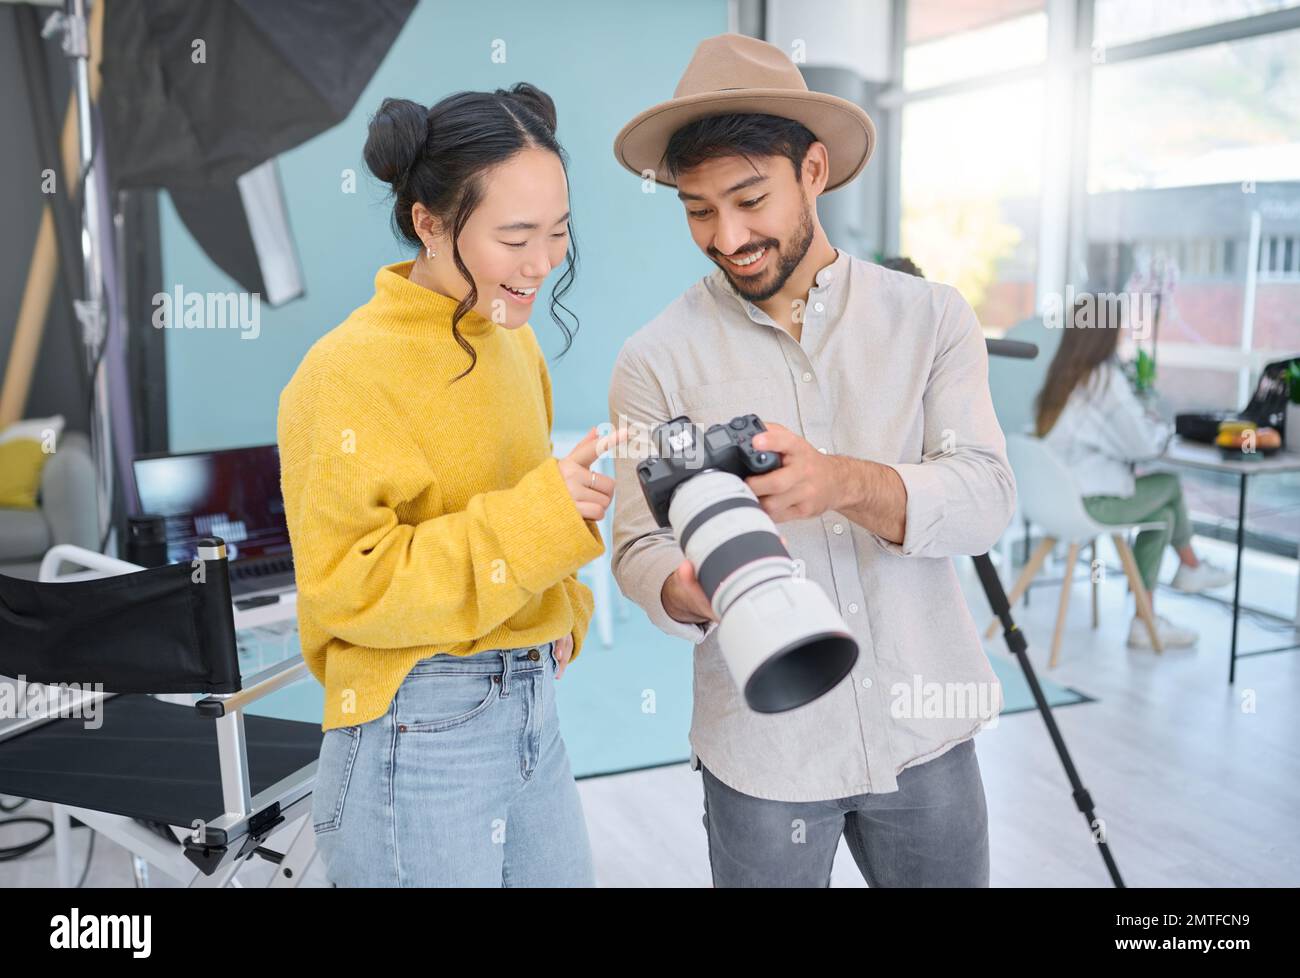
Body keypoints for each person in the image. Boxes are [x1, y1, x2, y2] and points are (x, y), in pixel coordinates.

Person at [607, 34, 1015, 887]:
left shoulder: (931, 318)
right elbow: (638, 548)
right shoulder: (653, 360)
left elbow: (985, 499)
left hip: (924, 732)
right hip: (764, 752)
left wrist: (842, 481)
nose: (727, 236)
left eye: (751, 199)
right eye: (697, 210)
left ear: (815, 172)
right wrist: (692, 587)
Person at [277, 84, 620, 886]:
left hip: (529, 697)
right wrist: (541, 522)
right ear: (429, 224)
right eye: (516, 237)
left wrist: (563, 605)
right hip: (416, 720)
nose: (543, 264)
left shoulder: (510, 343)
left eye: (560, 231)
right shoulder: (343, 373)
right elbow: (347, 588)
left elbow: (527, 505)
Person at [1035, 297, 1233, 649]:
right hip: (1091, 503)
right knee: (1169, 485)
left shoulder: (1060, 377)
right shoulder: (1102, 380)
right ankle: (1189, 568)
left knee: (1163, 515)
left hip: (1056, 502)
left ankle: (1148, 618)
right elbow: (1141, 444)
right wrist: (1161, 430)